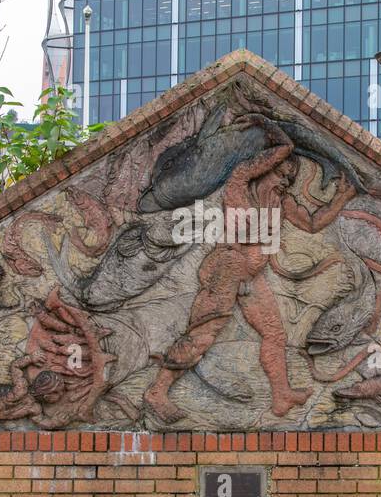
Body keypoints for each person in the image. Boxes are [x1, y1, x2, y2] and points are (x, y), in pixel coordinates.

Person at [144, 120, 355, 422]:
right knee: (201, 335)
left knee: (275, 333)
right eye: (280, 173)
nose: (284, 181)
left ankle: (281, 396)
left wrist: (342, 198)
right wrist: (280, 138)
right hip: (226, 271)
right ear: (264, 169)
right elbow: (268, 158)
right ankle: (157, 391)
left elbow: (312, 223)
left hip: (250, 279)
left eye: (290, 178)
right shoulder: (239, 187)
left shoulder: (280, 204)